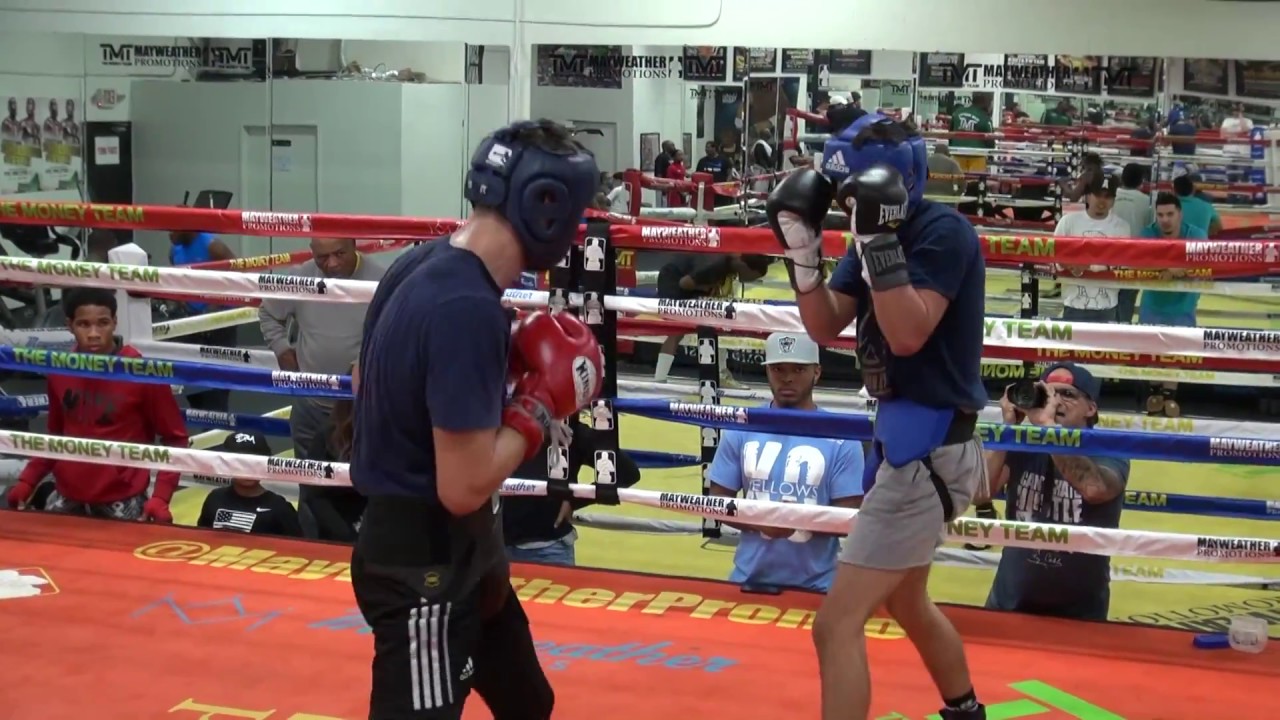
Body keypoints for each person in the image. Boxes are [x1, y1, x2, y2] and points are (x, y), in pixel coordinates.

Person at [350, 119, 602, 720]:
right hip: (425, 570)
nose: (576, 232)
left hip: (469, 556)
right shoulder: (466, 306)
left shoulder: (422, 263)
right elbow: (462, 487)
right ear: (547, 205)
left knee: (527, 701)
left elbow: (365, 380)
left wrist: (498, 376)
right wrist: (539, 405)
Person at [770, 113, 988, 720]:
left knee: (835, 623)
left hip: (931, 452)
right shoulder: (865, 233)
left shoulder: (944, 233)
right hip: (911, 445)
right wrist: (804, 252)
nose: (844, 204)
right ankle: (965, 710)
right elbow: (821, 324)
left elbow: (909, 332)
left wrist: (881, 241)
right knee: (908, 601)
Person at [4, 288, 187, 522]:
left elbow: (175, 438)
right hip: (67, 494)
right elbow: (56, 435)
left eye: (102, 323)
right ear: (69, 325)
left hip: (123, 498)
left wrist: (161, 497)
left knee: (122, 559)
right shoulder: (60, 370)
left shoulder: (140, 372)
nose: (93, 334)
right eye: (84, 324)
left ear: (115, 323)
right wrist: (27, 481)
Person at [707, 332, 864, 593]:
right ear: (768, 371)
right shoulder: (742, 427)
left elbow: (849, 517)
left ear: (817, 372)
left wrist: (795, 520)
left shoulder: (841, 437)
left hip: (819, 586)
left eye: (798, 369)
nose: (787, 377)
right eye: (778, 369)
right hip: (748, 579)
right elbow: (717, 500)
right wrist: (762, 521)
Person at [985, 363, 1128, 620]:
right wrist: (1008, 428)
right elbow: (981, 492)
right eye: (1049, 393)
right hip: (1008, 604)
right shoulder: (1021, 443)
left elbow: (1094, 489)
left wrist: (1049, 428)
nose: (1056, 401)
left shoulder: (1109, 448)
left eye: (1068, 395)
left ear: (1091, 408)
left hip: (1079, 613)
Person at [259, 237, 387, 459]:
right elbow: (267, 312)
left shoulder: (381, 281)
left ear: (353, 245)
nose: (332, 264)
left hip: (362, 405)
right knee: (310, 481)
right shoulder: (301, 277)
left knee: (362, 481)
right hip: (311, 404)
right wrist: (281, 348)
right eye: (323, 257)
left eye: (339, 254)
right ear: (312, 253)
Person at [504, 416, 640, 566]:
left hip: (548, 548)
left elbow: (627, 472)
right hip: (492, 547)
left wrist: (574, 500)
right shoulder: (497, 425)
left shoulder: (572, 431)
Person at [652, 253, 773, 385]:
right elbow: (685, 283)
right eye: (753, 276)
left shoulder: (727, 265)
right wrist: (708, 288)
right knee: (677, 332)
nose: (751, 280)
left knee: (712, 325)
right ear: (745, 266)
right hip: (674, 284)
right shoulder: (716, 266)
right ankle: (659, 378)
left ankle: (719, 374)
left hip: (681, 280)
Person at [1138, 193, 1207, 418]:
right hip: (1152, 304)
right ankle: (1155, 394)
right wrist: (1173, 268)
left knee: (1175, 355)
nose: (1165, 219)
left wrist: (1169, 270)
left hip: (1183, 306)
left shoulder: (1195, 235)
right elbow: (1143, 265)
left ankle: (1170, 397)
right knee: (1153, 354)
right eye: (1160, 215)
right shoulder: (1148, 233)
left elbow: (1204, 268)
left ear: (1180, 214)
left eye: (1170, 214)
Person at [169, 227, 239, 412]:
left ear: (186, 227)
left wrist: (217, 304)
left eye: (172, 230)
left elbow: (238, 275)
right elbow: (176, 278)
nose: (169, 235)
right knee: (191, 383)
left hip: (220, 322)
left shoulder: (213, 247)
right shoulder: (174, 250)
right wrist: (182, 300)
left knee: (218, 384)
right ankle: (204, 422)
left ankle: (218, 429)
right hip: (191, 321)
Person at [1052, 174, 1129, 323]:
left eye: (1107, 196)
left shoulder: (1122, 227)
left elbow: (1122, 264)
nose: (1102, 200)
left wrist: (1088, 265)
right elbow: (1054, 255)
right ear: (1087, 196)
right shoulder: (1068, 222)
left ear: (1113, 200)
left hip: (1107, 305)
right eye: (1098, 194)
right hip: (1074, 302)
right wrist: (1069, 264)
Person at [197, 431, 303, 537]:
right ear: (227, 464)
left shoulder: (279, 508)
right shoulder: (215, 498)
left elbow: (298, 549)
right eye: (240, 462)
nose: (248, 468)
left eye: (254, 462)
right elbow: (201, 538)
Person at [303, 391, 367, 542]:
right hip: (337, 527)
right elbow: (314, 495)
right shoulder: (326, 436)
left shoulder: (387, 433)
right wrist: (346, 535)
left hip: (377, 525)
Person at [1112, 164, 1154, 323]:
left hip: (1109, 255)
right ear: (1142, 181)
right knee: (1127, 301)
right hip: (1134, 258)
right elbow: (1149, 229)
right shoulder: (1146, 202)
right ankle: (1122, 333)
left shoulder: (1109, 196)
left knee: (1107, 298)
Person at [948, 92, 995, 174]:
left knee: (958, 182)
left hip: (957, 153)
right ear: (986, 102)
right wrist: (991, 154)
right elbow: (990, 140)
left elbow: (950, 134)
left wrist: (952, 147)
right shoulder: (985, 118)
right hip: (977, 155)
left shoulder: (957, 112)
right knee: (974, 183)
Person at [1172, 170, 1222, 237]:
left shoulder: (1168, 208)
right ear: (1193, 190)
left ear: (1174, 191)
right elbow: (1218, 228)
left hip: (1176, 245)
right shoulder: (1207, 206)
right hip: (1200, 245)